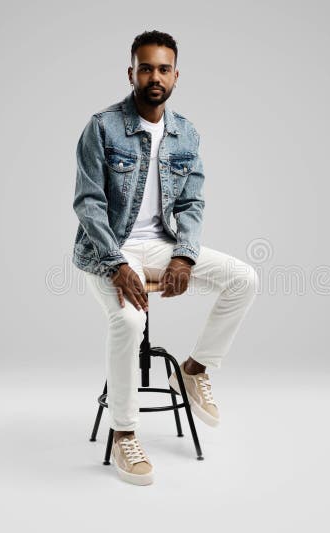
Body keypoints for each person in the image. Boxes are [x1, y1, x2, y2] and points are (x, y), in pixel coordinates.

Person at [71, 30, 259, 486]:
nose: (154, 77)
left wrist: (184, 257)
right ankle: (125, 434)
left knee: (244, 279)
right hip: (106, 249)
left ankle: (193, 372)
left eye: (163, 68)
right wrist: (117, 265)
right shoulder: (101, 127)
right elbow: (88, 204)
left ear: (176, 75)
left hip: (158, 246)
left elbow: (191, 204)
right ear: (131, 72)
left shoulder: (186, 133)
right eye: (146, 67)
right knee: (130, 323)